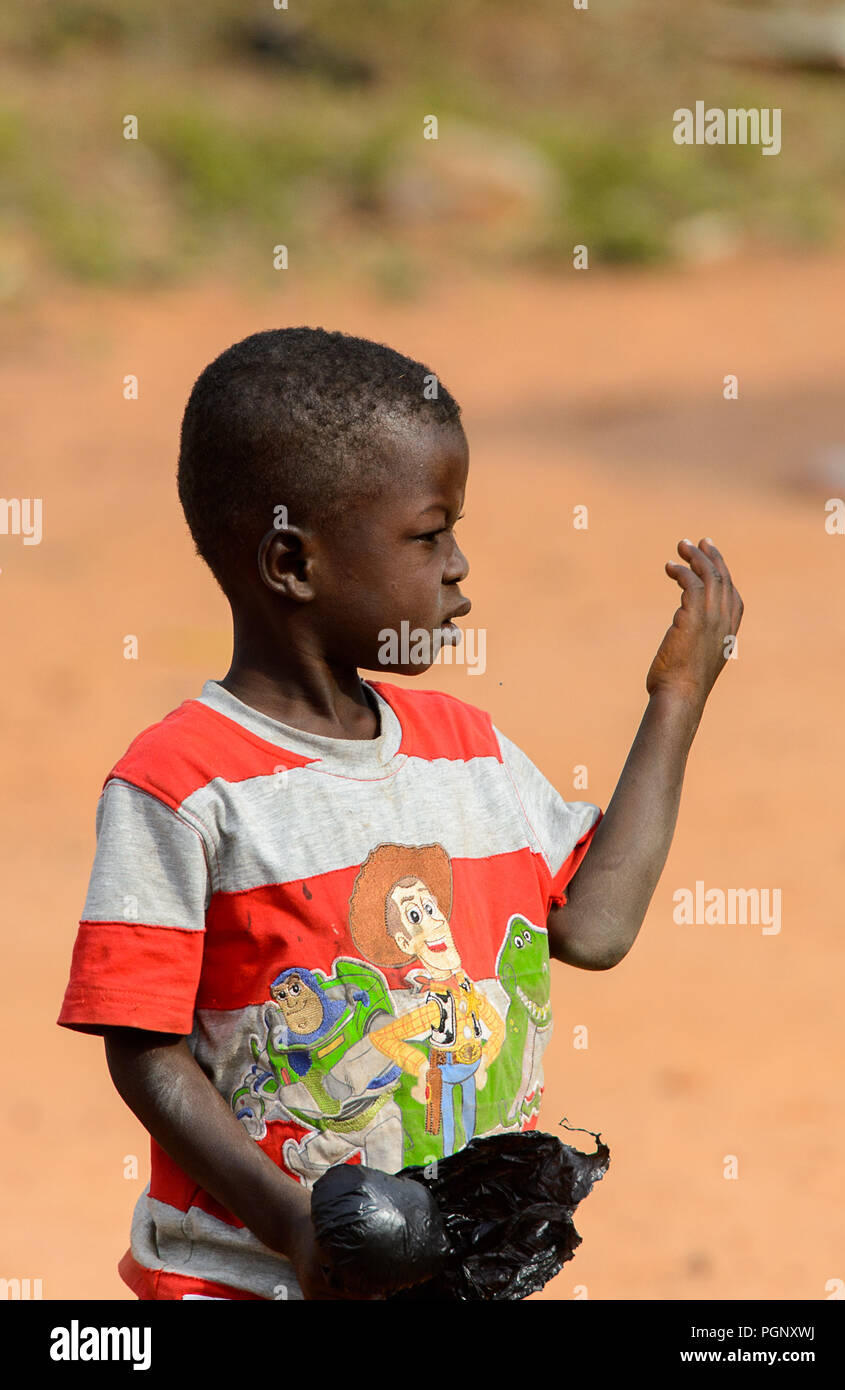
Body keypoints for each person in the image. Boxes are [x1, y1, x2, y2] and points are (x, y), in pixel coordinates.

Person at [56, 327, 743, 1301]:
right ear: (293, 562)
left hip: (449, 1276)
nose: (459, 566)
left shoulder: (469, 748)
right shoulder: (182, 784)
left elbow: (593, 924)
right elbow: (144, 1048)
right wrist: (293, 1225)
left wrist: (676, 697)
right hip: (248, 1281)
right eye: (429, 535)